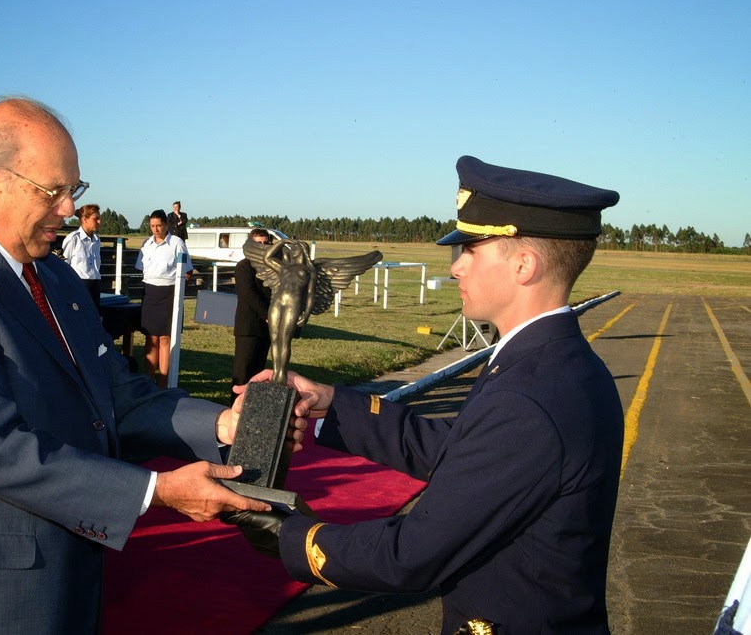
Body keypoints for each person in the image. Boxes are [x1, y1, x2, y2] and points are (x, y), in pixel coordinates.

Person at [0, 96, 274, 634]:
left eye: (75, 190)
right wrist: (155, 491)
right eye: (53, 190)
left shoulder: (58, 279)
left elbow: (117, 397)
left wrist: (224, 424)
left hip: (67, 569)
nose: (68, 208)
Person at [225, 155, 624, 634]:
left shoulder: (530, 394)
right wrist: (331, 403)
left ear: (524, 264)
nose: (456, 268)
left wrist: (289, 534)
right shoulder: (552, 364)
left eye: (470, 250)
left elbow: (411, 555)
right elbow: (459, 452)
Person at [135, 209, 193, 388]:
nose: (155, 229)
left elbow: (188, 271)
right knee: (151, 338)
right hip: (150, 293)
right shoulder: (146, 244)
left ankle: (163, 382)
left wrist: (178, 291)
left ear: (166, 224)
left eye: (159, 225)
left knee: (165, 339)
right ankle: (148, 381)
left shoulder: (176, 243)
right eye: (152, 226)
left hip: (169, 293)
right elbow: (141, 269)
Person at [231, 227, 273, 397]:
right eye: (258, 243)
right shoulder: (244, 266)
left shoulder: (272, 269)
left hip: (267, 329)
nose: (262, 246)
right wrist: (268, 315)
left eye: (265, 243)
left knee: (258, 374)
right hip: (248, 327)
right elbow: (248, 294)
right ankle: (234, 410)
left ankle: (251, 412)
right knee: (242, 374)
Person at [61, 202, 102, 307]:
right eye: (95, 219)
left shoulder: (97, 241)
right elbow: (63, 265)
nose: (99, 222)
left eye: (99, 218)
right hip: (79, 284)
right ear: (85, 219)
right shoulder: (73, 239)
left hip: (95, 284)